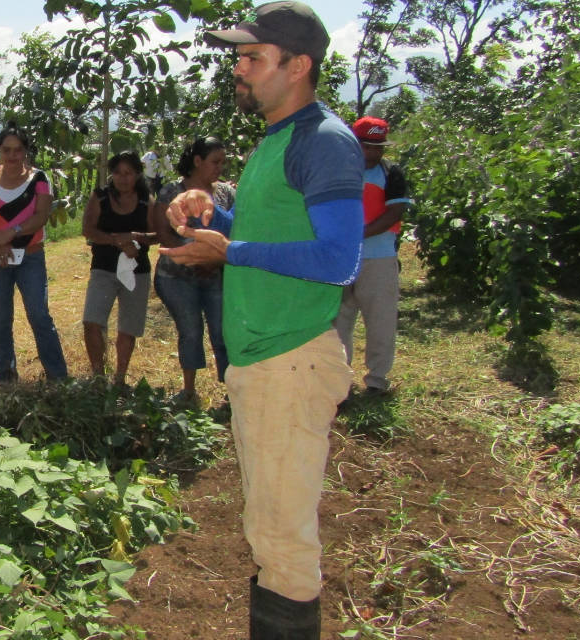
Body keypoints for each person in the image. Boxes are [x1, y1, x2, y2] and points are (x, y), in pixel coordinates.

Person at [160, 2, 364, 637]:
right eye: (238, 58)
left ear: (297, 65)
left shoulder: (323, 142)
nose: (238, 70)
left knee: (282, 542)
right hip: (266, 360)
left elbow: (339, 258)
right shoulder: (278, 140)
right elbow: (268, 235)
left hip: (290, 360)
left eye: (252, 58)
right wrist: (212, 218)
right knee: (268, 529)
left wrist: (231, 249)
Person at [0, 122, 67, 382]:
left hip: (31, 257)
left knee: (39, 315)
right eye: (6, 150)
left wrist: (10, 233)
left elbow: (41, 216)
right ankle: (7, 376)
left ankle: (58, 378)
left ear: (26, 151)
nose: (12, 156)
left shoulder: (39, 179)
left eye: (18, 150)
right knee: (0, 320)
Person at [149, 136, 235, 404]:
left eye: (222, 162)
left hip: (217, 273)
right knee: (190, 330)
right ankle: (189, 391)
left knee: (223, 332)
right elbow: (163, 232)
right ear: (197, 161)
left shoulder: (226, 193)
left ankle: (232, 393)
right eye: (214, 162)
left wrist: (212, 260)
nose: (219, 168)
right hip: (177, 276)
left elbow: (235, 231)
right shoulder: (171, 190)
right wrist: (192, 257)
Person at [334, 116, 411, 396]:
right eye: (367, 147)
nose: (373, 153)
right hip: (341, 258)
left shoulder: (391, 174)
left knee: (380, 321)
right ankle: (340, 379)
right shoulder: (337, 172)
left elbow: (395, 212)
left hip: (378, 259)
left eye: (378, 148)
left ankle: (377, 380)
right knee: (338, 322)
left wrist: (357, 234)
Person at [81, 150, 156, 386]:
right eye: (117, 173)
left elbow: (158, 234)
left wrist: (136, 238)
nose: (123, 178)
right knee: (92, 321)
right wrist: (116, 240)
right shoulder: (100, 197)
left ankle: (120, 379)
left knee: (128, 327)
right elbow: (88, 230)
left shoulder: (146, 200)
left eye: (128, 173)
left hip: (137, 271)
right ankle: (99, 376)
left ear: (137, 175)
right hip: (103, 267)